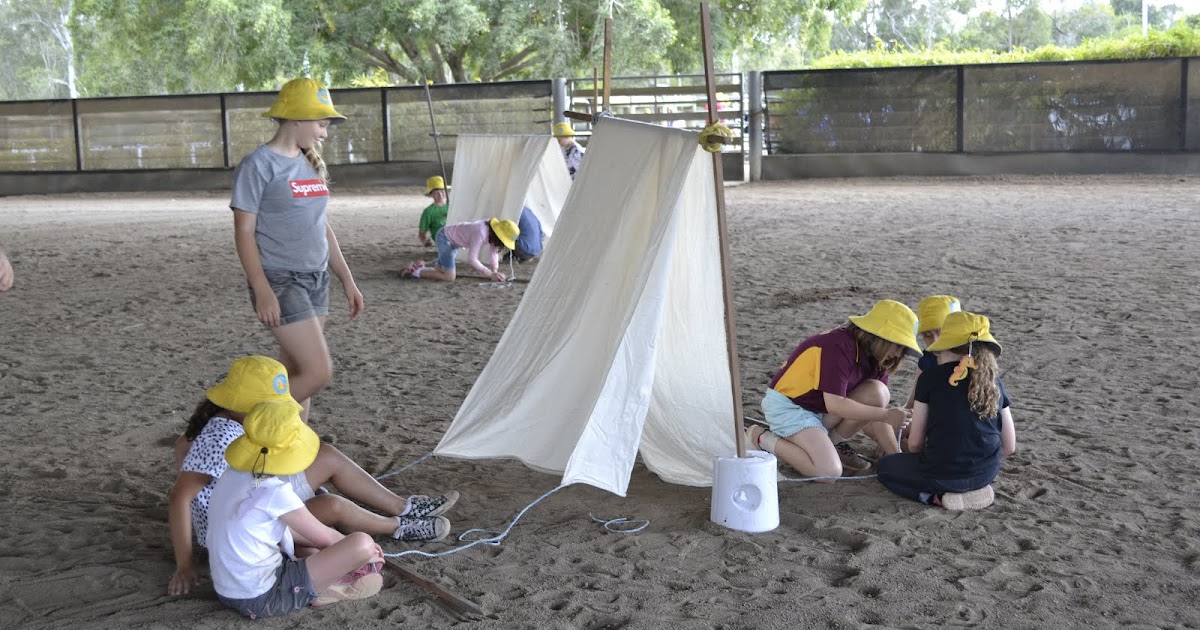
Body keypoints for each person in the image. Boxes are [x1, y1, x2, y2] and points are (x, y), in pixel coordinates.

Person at [168, 355, 457, 596]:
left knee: (327, 455)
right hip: (240, 525)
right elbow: (180, 497)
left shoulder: (237, 419)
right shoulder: (219, 437)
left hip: (256, 496)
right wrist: (185, 564)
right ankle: (395, 526)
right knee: (333, 506)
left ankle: (402, 507)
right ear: (244, 405)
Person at [230, 77, 363, 421]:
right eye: (322, 124)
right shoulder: (257, 165)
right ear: (298, 119)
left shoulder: (308, 163)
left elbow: (322, 226)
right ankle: (229, 426)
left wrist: (346, 279)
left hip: (316, 278)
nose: (325, 133)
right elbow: (244, 232)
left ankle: (292, 465)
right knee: (318, 373)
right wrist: (262, 289)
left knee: (293, 375)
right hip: (280, 280)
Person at [207, 400, 384, 618]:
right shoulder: (273, 490)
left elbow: (288, 531)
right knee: (361, 544)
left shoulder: (233, 473)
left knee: (309, 546)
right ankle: (326, 589)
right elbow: (326, 538)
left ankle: (324, 581)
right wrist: (368, 552)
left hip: (228, 589)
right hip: (261, 597)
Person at [745, 300, 920, 479]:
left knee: (878, 391)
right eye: (898, 345)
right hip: (791, 406)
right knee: (828, 473)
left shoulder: (878, 356)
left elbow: (878, 410)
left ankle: (832, 445)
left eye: (903, 348)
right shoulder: (838, 344)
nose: (899, 354)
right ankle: (762, 437)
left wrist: (895, 456)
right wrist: (887, 416)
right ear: (881, 336)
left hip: (820, 408)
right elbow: (837, 405)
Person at [875, 311, 1016, 510]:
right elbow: (1009, 447)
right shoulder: (995, 383)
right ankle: (973, 491)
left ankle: (935, 498)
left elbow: (915, 444)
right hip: (985, 474)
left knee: (885, 468)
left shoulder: (930, 378)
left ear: (945, 347)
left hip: (940, 474)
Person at [402, 217, 518, 282]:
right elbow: (472, 259)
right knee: (449, 276)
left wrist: (495, 272)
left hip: (453, 242)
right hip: (445, 237)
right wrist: (489, 274)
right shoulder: (481, 232)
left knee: (441, 268)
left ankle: (418, 266)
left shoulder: (492, 233)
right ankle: (415, 272)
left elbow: (494, 252)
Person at [904, 295, 963, 411]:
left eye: (940, 332)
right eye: (928, 336)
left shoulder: (970, 359)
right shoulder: (927, 359)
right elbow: (914, 400)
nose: (935, 341)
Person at [417, 176, 449, 248]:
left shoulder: (452, 206)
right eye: (436, 193)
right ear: (431, 194)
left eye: (442, 191)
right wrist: (424, 241)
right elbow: (422, 232)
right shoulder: (428, 212)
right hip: (442, 240)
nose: (440, 195)